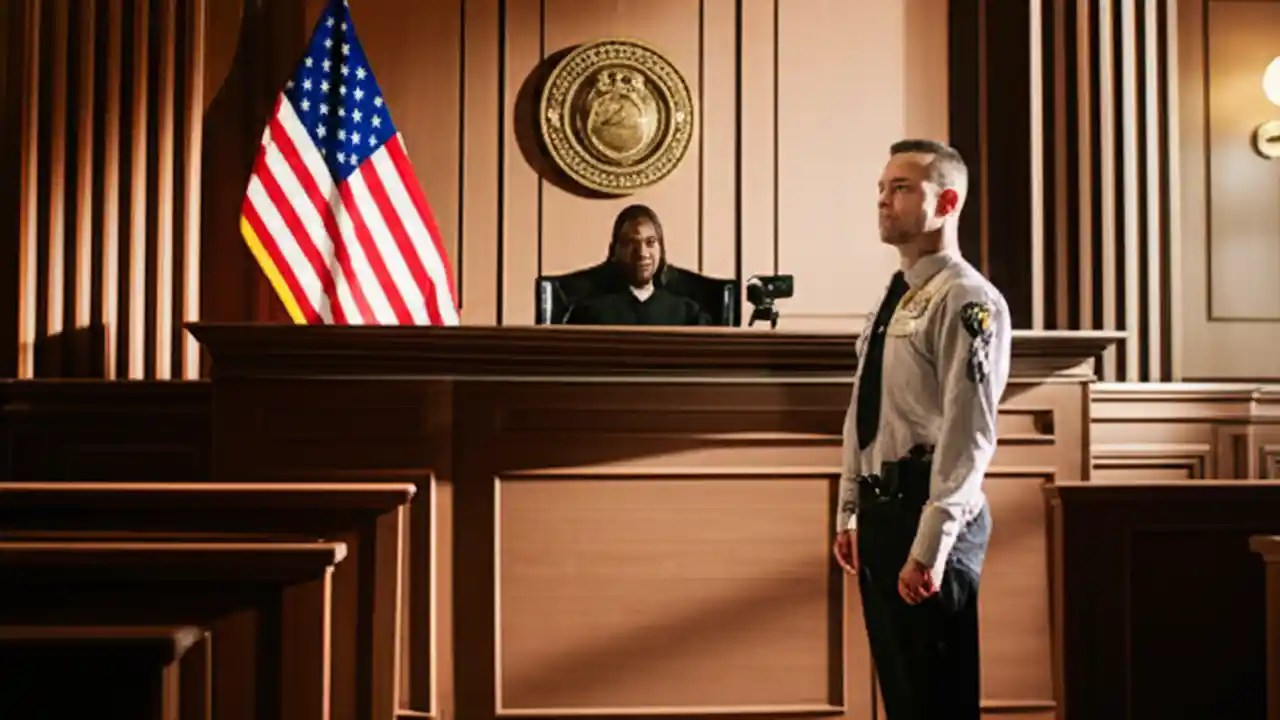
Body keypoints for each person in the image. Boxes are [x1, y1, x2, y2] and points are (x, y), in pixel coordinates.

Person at [831, 139, 1011, 719]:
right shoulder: (897, 295)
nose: (884, 201)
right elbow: (868, 413)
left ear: (948, 200)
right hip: (885, 512)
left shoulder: (966, 299)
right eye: (882, 189)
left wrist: (930, 549)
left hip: (929, 514)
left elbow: (969, 434)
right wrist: (851, 509)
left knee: (938, 700)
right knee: (904, 697)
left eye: (901, 188)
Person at [564, 204, 711, 326]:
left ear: (661, 250)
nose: (642, 253)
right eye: (630, 243)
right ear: (614, 251)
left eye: (650, 242)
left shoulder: (689, 313)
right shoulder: (589, 313)